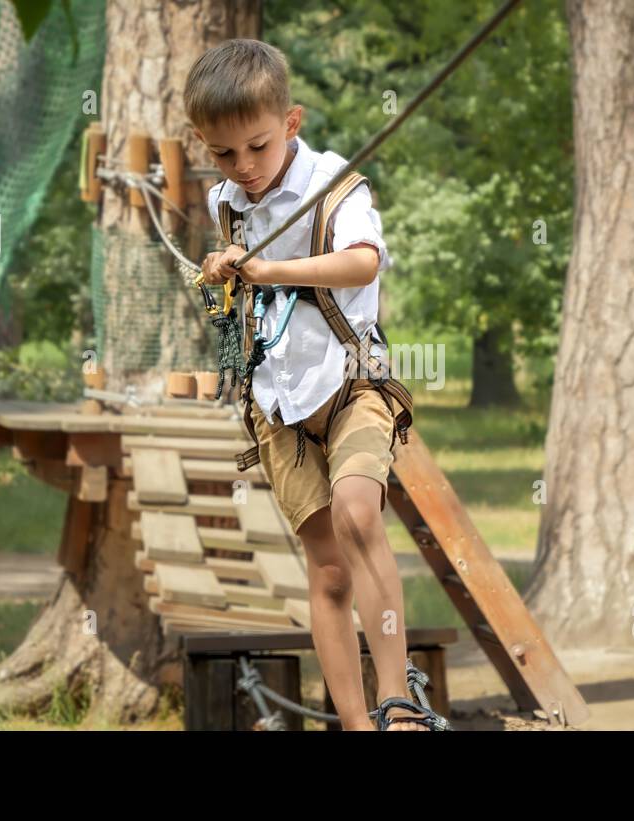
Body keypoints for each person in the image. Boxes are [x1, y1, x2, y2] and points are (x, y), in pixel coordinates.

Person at [187, 39, 439, 731]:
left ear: (291, 123)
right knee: (328, 570)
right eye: (224, 154)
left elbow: (362, 264)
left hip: (355, 382)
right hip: (277, 402)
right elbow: (251, 294)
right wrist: (228, 273)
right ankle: (356, 725)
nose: (243, 167)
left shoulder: (337, 185)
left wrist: (267, 271)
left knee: (361, 512)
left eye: (257, 148)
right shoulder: (227, 202)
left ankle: (397, 701)